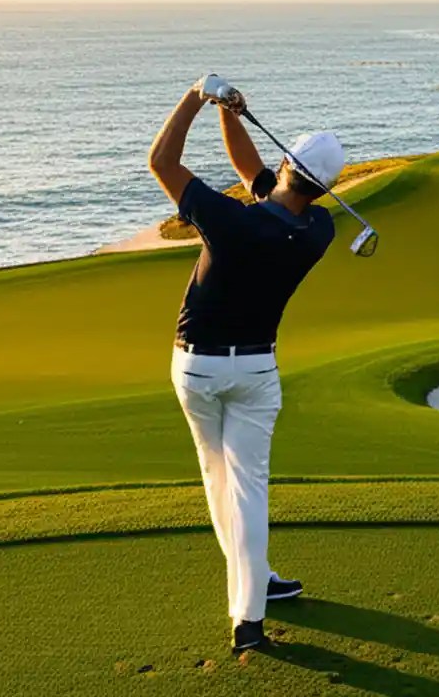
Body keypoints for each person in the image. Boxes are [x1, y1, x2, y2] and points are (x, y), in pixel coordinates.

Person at [148, 74, 342, 655]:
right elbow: (253, 174)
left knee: (218, 482)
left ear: (287, 163)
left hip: (198, 370)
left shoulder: (230, 221)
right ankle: (252, 607)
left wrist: (195, 95)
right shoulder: (319, 229)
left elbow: (161, 161)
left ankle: (250, 600)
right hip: (256, 373)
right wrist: (231, 115)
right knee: (249, 490)